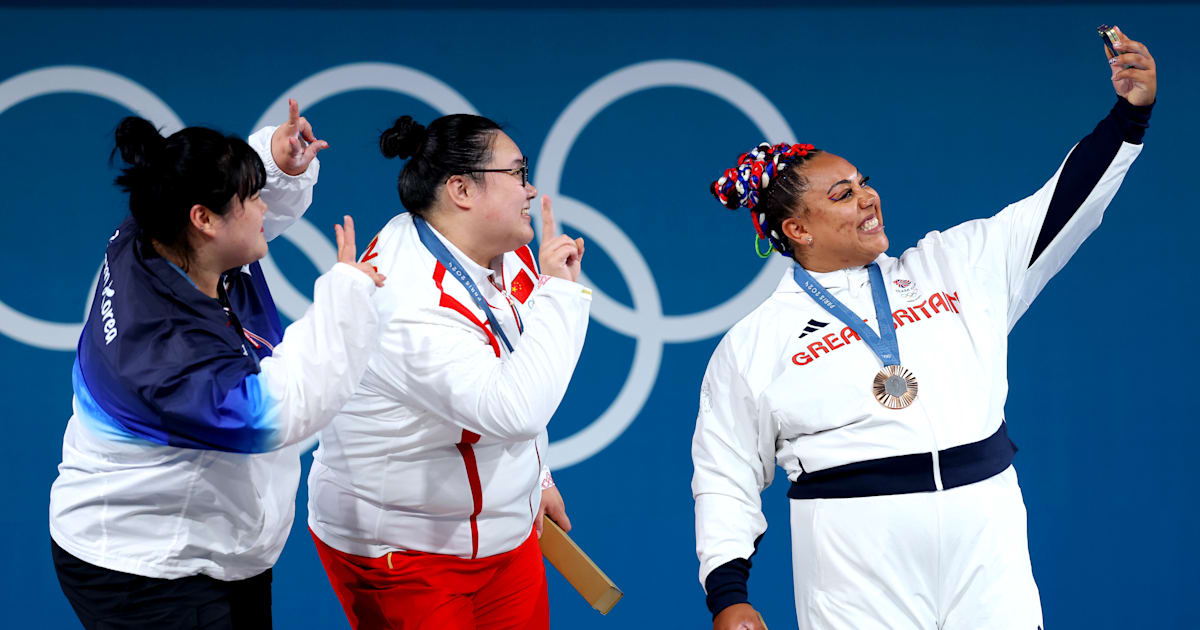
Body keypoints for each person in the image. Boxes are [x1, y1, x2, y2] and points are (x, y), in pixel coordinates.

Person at [692, 27, 1156, 630]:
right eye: (843, 193)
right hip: (855, 560)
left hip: (985, 543)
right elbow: (724, 470)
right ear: (798, 231)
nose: (868, 198)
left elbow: (1062, 204)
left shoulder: (955, 265)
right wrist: (729, 595)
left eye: (863, 182)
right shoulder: (755, 341)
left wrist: (1130, 115)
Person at [49, 100, 386, 629]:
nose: (263, 210)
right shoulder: (161, 351)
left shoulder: (160, 224)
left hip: (219, 544)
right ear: (203, 221)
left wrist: (276, 164)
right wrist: (345, 297)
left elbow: (214, 191)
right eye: (253, 198)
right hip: (145, 567)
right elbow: (277, 414)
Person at [306, 113, 591, 629]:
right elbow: (515, 409)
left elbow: (519, 365)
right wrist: (564, 295)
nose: (530, 191)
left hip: (506, 539)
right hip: (404, 551)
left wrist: (535, 477)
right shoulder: (408, 299)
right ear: (461, 189)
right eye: (518, 173)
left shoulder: (505, 256)